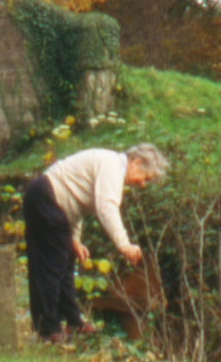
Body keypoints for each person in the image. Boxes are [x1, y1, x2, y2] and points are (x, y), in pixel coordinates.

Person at [21, 142, 164, 344]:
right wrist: (124, 244)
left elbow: (76, 204)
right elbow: (106, 207)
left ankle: (73, 321)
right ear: (137, 162)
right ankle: (48, 329)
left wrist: (74, 240)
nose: (143, 184)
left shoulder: (111, 165)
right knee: (51, 266)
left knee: (65, 263)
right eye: (145, 177)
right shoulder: (113, 166)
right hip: (46, 198)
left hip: (51, 201)